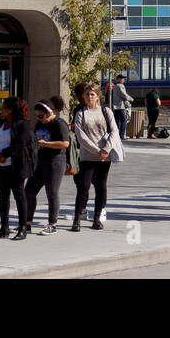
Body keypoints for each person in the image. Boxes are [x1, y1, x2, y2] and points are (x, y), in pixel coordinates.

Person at [70, 82, 120, 231]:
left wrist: (105, 149)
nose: (90, 97)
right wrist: (96, 150)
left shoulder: (106, 111)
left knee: (101, 186)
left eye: (92, 94)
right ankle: (77, 218)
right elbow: (80, 136)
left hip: (105, 156)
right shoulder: (81, 113)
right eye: (87, 94)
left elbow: (114, 131)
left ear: (98, 96)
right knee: (83, 186)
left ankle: (97, 218)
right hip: (88, 156)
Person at [0, 97, 33, 240]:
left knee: (19, 196)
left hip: (15, 166)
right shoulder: (1, 123)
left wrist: (4, 155)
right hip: (0, 166)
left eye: (4, 108)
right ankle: (4, 228)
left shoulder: (23, 125)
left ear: (11, 110)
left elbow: (20, 144)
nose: (1, 110)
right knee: (3, 198)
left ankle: (23, 227)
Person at [27, 97, 71, 234]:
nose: (39, 118)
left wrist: (46, 144)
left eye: (41, 115)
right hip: (40, 162)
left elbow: (65, 143)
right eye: (37, 115)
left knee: (52, 193)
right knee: (29, 191)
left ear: (49, 112)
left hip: (55, 161)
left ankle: (52, 224)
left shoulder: (59, 124)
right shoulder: (40, 124)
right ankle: (27, 223)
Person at [110, 75, 134, 141]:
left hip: (115, 106)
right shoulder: (120, 86)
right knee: (124, 120)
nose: (123, 80)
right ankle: (122, 135)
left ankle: (117, 135)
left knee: (117, 121)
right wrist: (131, 99)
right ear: (118, 79)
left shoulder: (114, 86)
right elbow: (124, 95)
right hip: (121, 106)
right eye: (122, 78)